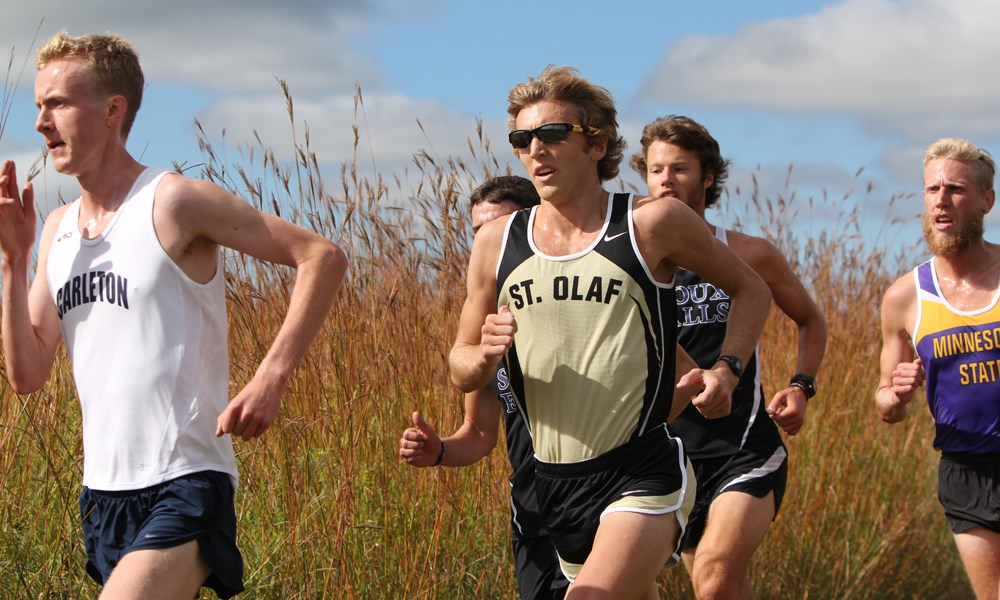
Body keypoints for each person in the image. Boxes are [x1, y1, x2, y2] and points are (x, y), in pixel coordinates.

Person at [0, 32, 347, 599]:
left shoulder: (172, 202)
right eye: (39, 105)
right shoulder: (58, 229)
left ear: (114, 110)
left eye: (59, 103)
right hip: (102, 494)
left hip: (185, 480)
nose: (41, 121)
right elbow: (27, 373)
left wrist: (270, 377)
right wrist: (14, 264)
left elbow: (321, 257)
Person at [448, 65, 772, 599]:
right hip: (554, 483)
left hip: (640, 470)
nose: (536, 149)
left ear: (596, 144)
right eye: (522, 139)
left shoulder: (651, 222)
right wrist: (482, 358)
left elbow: (751, 289)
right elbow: (460, 365)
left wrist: (728, 368)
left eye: (553, 134)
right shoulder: (497, 243)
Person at [630, 115, 827, 599]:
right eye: (655, 171)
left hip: (744, 448)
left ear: (708, 176)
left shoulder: (749, 254)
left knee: (714, 581)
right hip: (670, 456)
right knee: (714, 585)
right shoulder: (631, 262)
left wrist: (801, 385)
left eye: (678, 169)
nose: (665, 181)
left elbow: (810, 319)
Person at [399, 175, 570, 600]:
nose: (488, 240)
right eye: (478, 232)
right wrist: (437, 450)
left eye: (501, 226)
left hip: (598, 496)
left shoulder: (580, 295)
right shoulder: (484, 321)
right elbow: (478, 432)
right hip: (532, 507)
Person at [877, 137, 1000, 600]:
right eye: (932, 190)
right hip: (964, 468)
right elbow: (885, 404)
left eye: (955, 189)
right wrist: (897, 394)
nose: (941, 201)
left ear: (986, 200)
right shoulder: (904, 296)